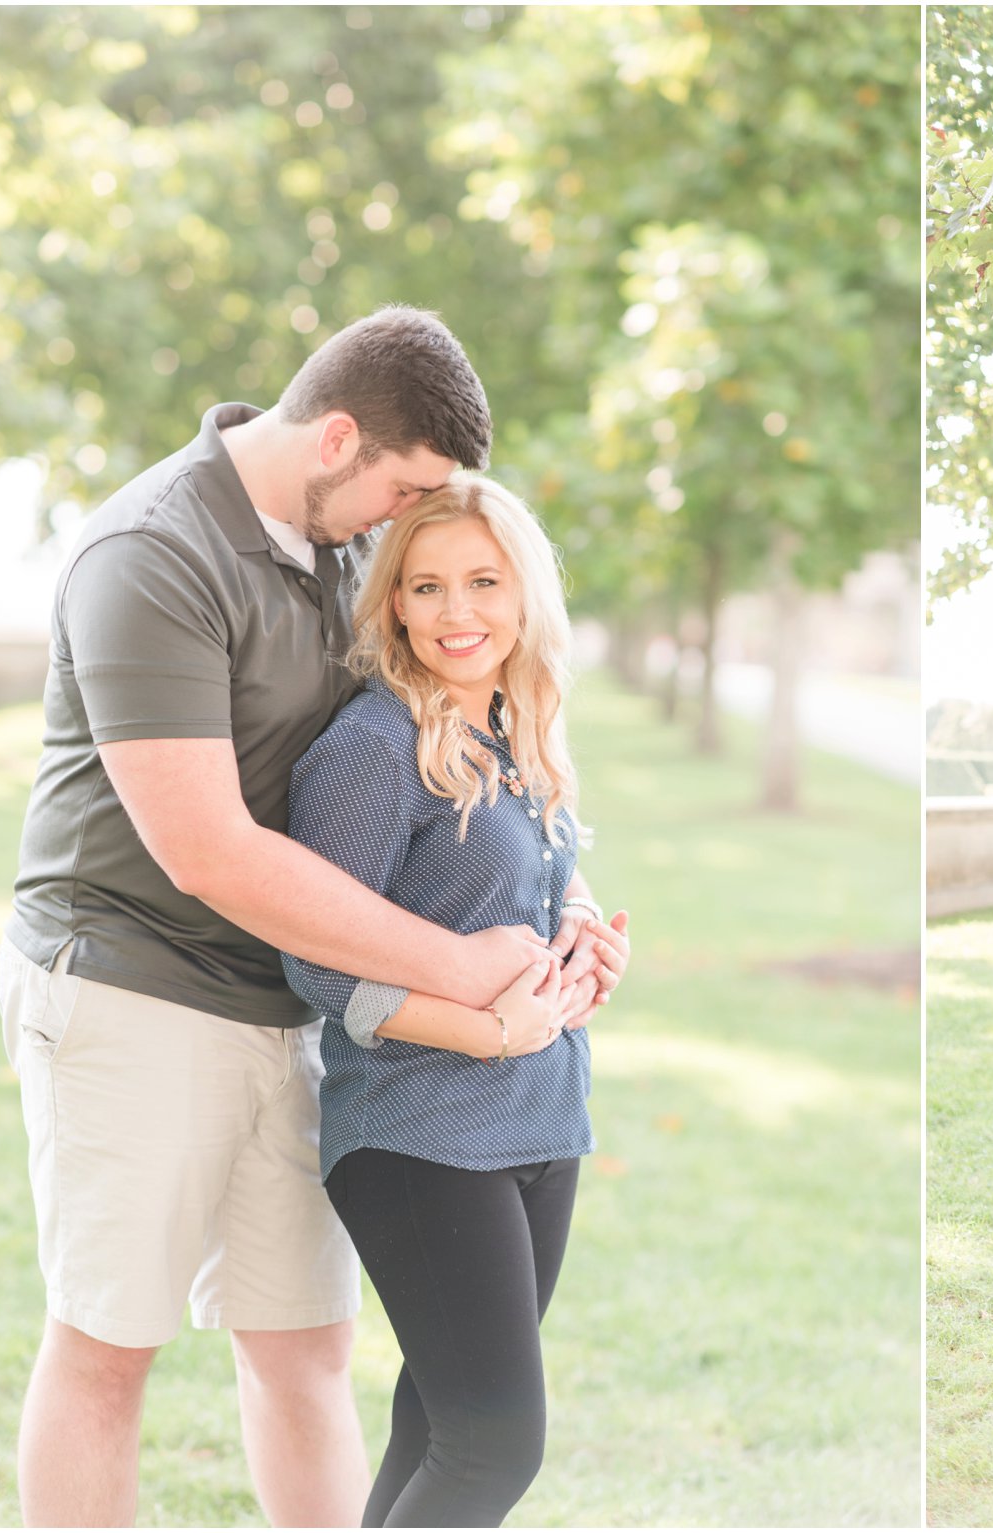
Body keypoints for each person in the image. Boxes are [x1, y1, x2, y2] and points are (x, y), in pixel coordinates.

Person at [0, 307, 626, 1526]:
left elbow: (462, 751)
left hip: (302, 1009)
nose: (410, 522)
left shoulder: (339, 547)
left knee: (302, 1347)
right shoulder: (151, 554)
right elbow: (210, 851)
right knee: (107, 1347)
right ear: (336, 438)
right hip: (133, 986)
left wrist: (561, 911)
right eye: (405, 489)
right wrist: (467, 978)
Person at [280, 474, 610, 1527]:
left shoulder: (517, 732)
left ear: (526, 596)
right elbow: (314, 963)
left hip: (540, 1120)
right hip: (421, 1136)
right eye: (426, 588)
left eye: (482, 581)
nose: (455, 613)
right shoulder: (372, 751)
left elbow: (529, 882)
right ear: (394, 605)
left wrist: (590, 941)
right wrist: (485, 1025)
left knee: (440, 1428)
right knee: (494, 1449)